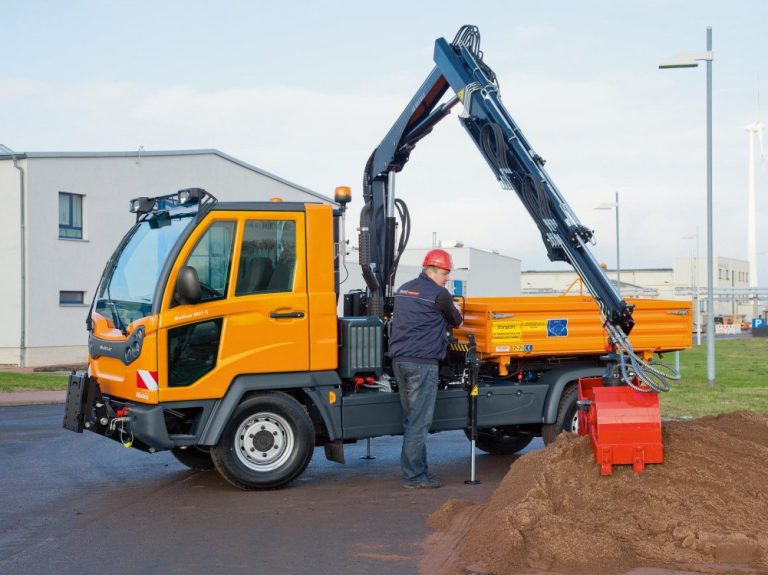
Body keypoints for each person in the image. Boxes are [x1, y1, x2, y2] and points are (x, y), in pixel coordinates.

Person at [389, 248, 463, 489]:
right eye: (444, 273)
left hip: (400, 361)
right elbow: (456, 321)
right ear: (430, 271)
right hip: (422, 364)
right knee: (419, 423)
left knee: (412, 420)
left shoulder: (403, 289)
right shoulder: (439, 295)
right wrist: (458, 311)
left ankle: (419, 472)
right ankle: (414, 477)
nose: (447, 278)